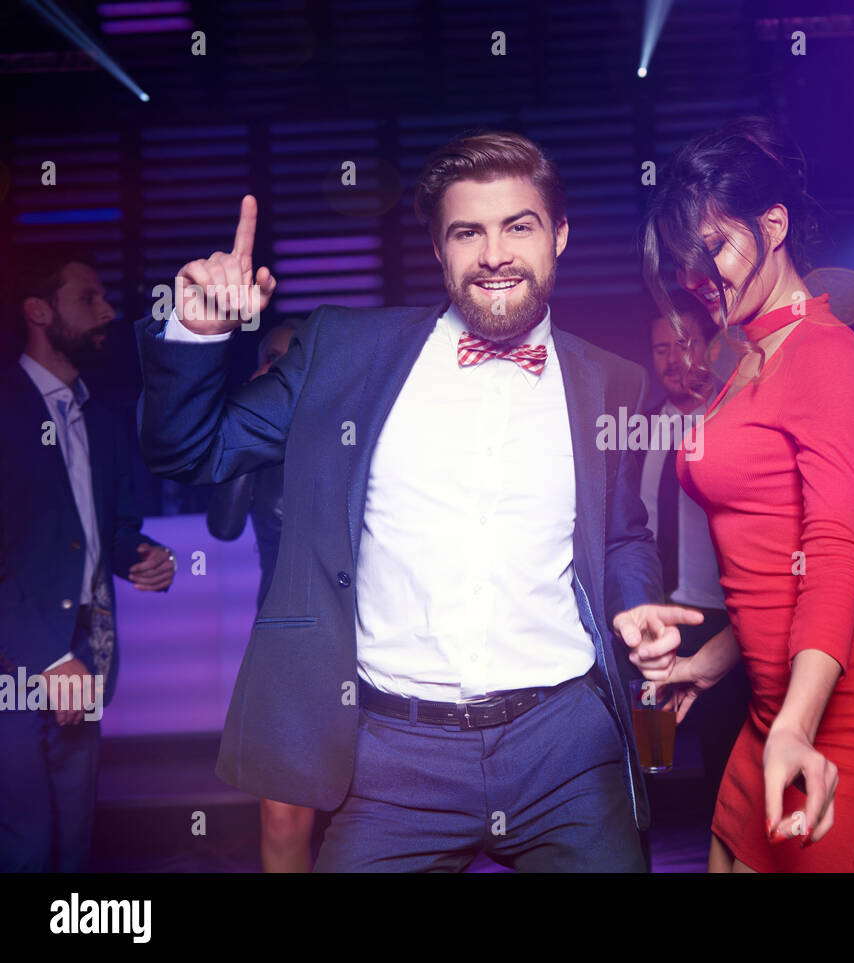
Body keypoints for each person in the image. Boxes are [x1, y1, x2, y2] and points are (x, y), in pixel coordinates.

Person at [134, 130, 701, 872]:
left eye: (518, 226)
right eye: (468, 232)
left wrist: (635, 604)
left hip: (566, 748)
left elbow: (622, 533)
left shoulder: (612, 381)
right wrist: (196, 333)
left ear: (559, 235)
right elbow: (190, 449)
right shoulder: (343, 351)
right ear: (439, 250)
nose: (494, 253)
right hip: (394, 761)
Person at [640, 117, 854, 872]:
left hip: (846, 707)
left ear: (774, 224)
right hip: (774, 706)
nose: (699, 281)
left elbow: (831, 553)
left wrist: (797, 727)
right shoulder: (741, 357)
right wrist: (710, 664)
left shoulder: (828, 355)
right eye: (685, 264)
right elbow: (773, 562)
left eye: (716, 251)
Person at [0, 249, 175, 872]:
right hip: (18, 661)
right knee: (24, 848)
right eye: (89, 299)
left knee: (72, 852)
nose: (107, 311)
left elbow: (114, 527)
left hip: (90, 654)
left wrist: (143, 557)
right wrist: (45, 654)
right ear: (39, 310)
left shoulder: (100, 417)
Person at [205, 320, 315, 872]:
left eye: (298, 356)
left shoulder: (354, 430)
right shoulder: (260, 443)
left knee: (374, 813)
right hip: (284, 637)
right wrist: (250, 425)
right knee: (282, 815)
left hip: (372, 637)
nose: (287, 366)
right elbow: (223, 526)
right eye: (275, 357)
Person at [637, 298, 750, 810]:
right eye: (662, 348)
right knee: (644, 761)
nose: (674, 359)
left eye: (685, 345)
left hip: (723, 614)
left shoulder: (735, 419)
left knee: (728, 761)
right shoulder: (636, 429)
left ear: (709, 347)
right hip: (652, 615)